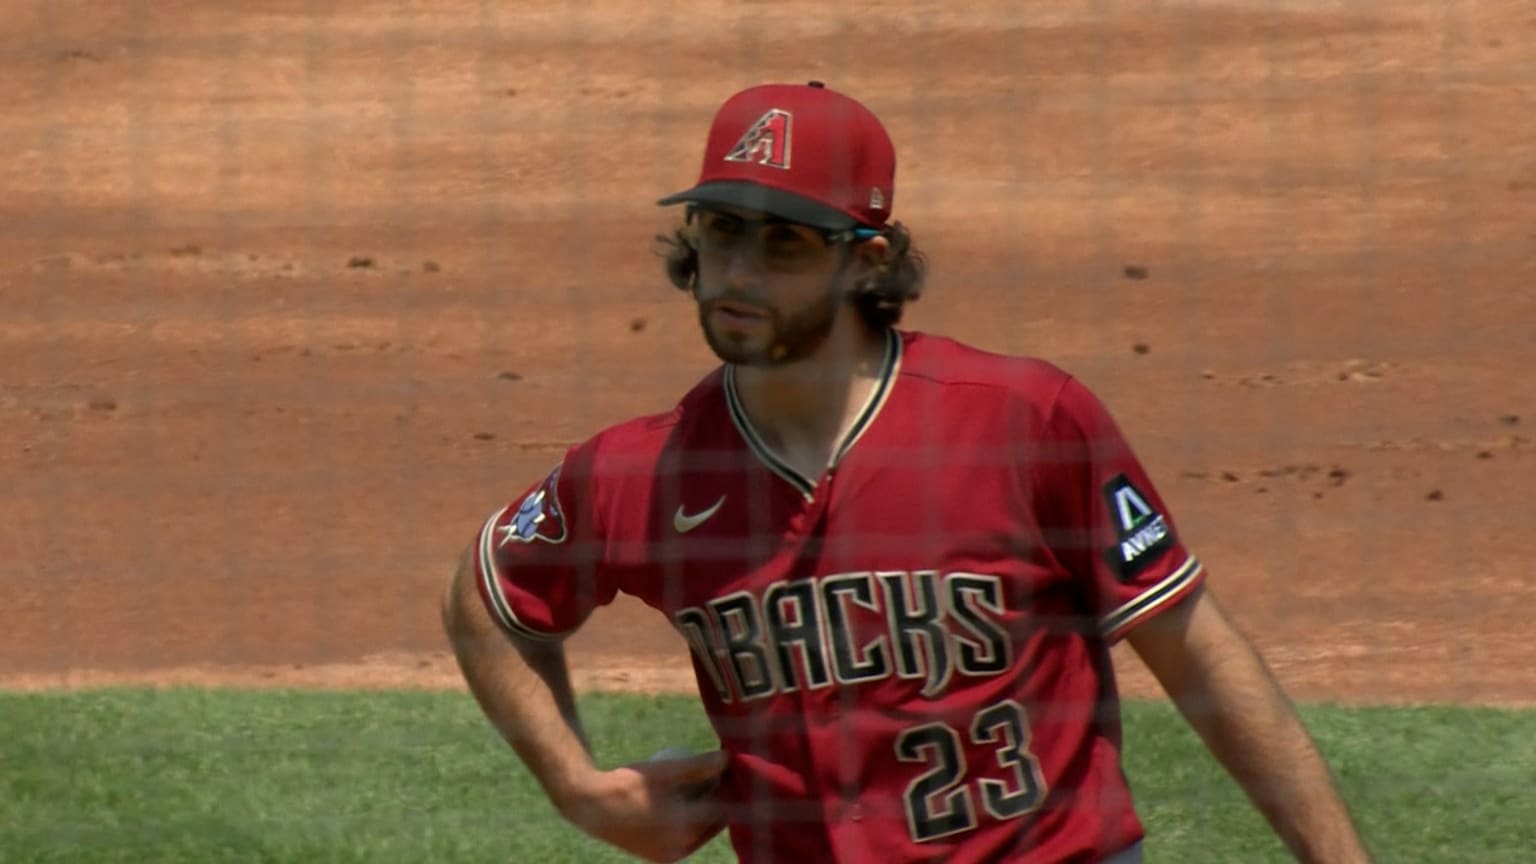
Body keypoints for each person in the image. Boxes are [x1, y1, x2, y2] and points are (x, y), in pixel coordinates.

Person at [440, 80, 1373, 864]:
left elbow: (1194, 649)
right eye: (720, 232)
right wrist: (578, 789)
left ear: (867, 261)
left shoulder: (1020, 421)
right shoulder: (642, 473)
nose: (737, 272)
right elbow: (485, 598)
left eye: (784, 243)